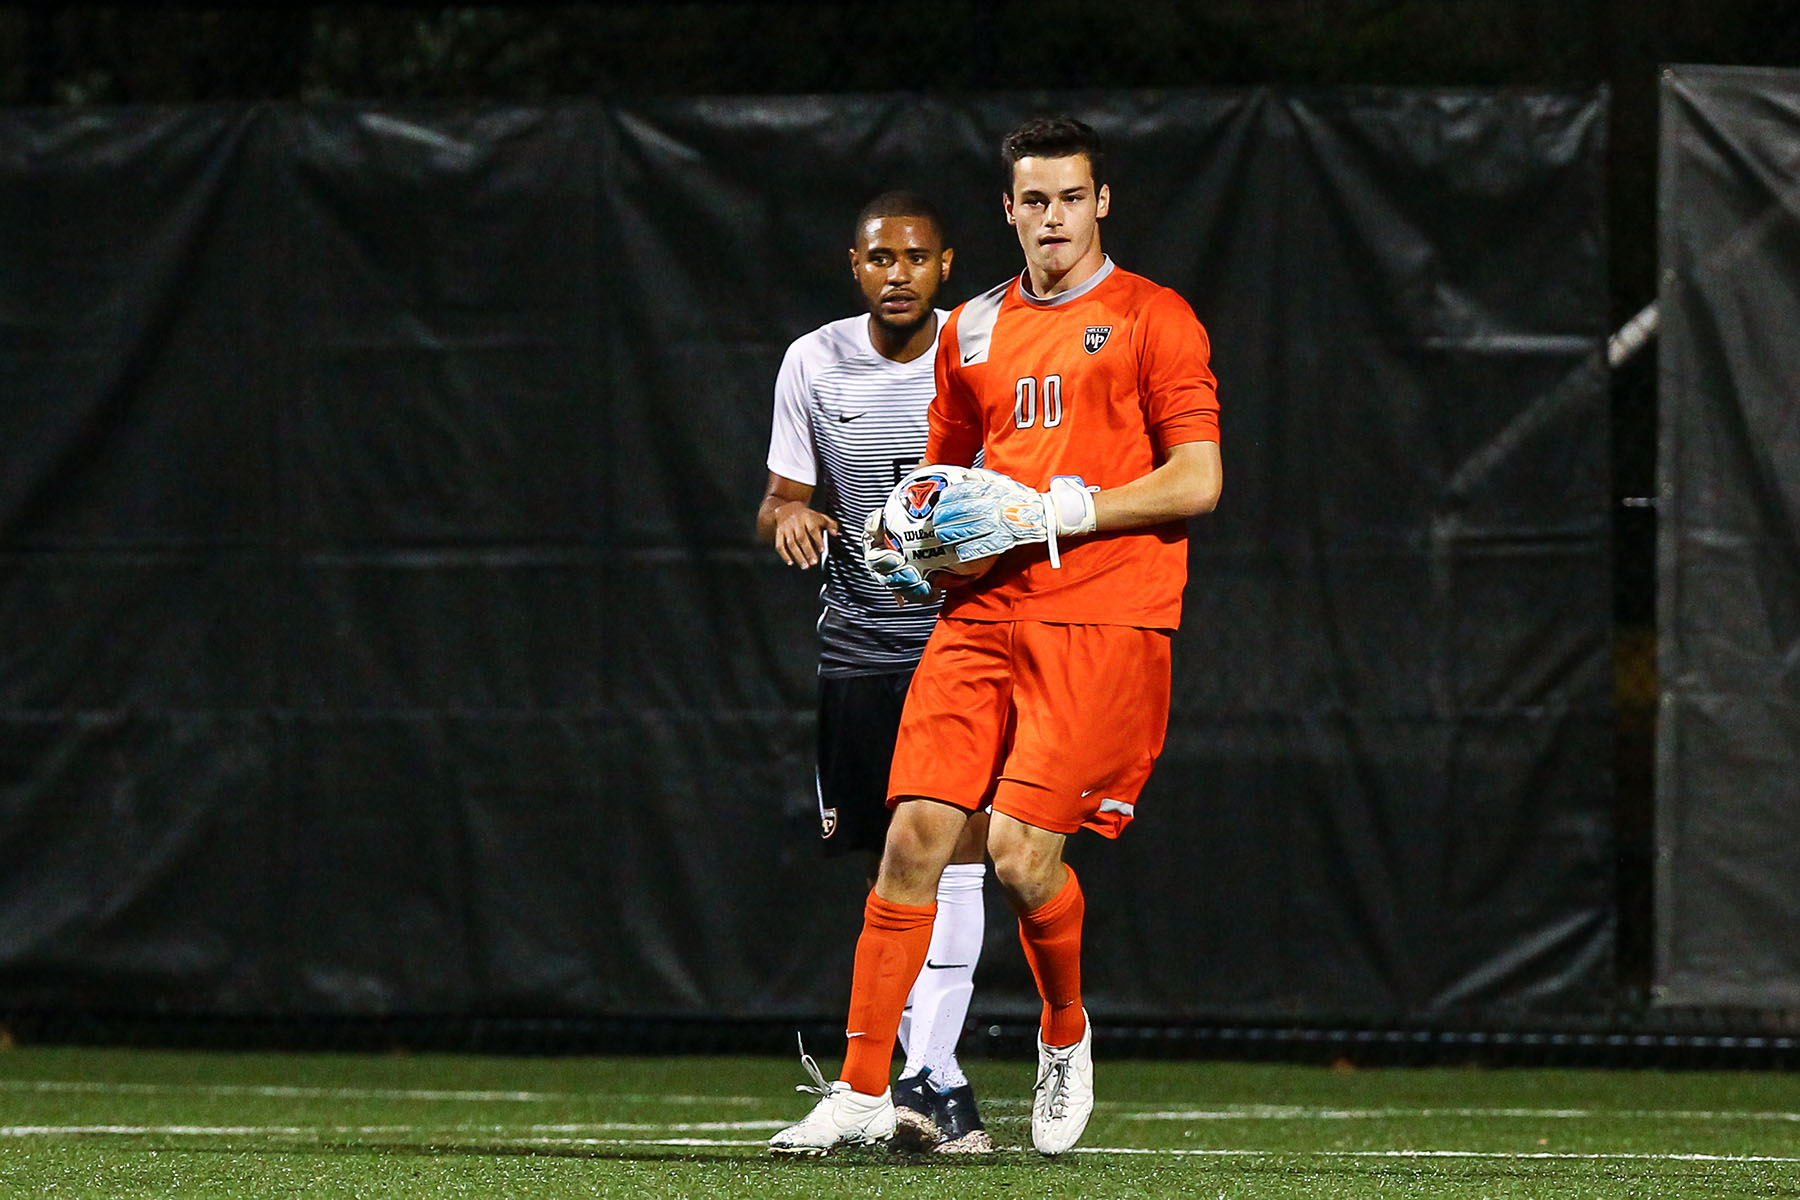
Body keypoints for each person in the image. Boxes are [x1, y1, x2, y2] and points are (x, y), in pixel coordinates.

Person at [769, 116, 1222, 1157]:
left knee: (1021, 860)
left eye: (1072, 197)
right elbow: (941, 484)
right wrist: (905, 535)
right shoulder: (970, 329)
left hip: (1101, 612)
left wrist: (1059, 511)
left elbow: (1198, 480)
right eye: (1035, 199)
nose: (1053, 217)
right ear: (1009, 209)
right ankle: (860, 1086)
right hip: (979, 617)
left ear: (1100, 203)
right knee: (914, 837)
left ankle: (1065, 1030)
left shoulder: (1156, 317)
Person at [756, 191, 994, 1153]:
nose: (897, 273)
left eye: (916, 258)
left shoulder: (978, 354)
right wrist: (792, 521)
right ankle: (932, 1089)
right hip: (858, 653)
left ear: (946, 267)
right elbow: (778, 499)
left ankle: (933, 1082)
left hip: (966, 647)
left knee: (962, 858)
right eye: (878, 258)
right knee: (892, 873)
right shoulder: (812, 361)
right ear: (853, 266)